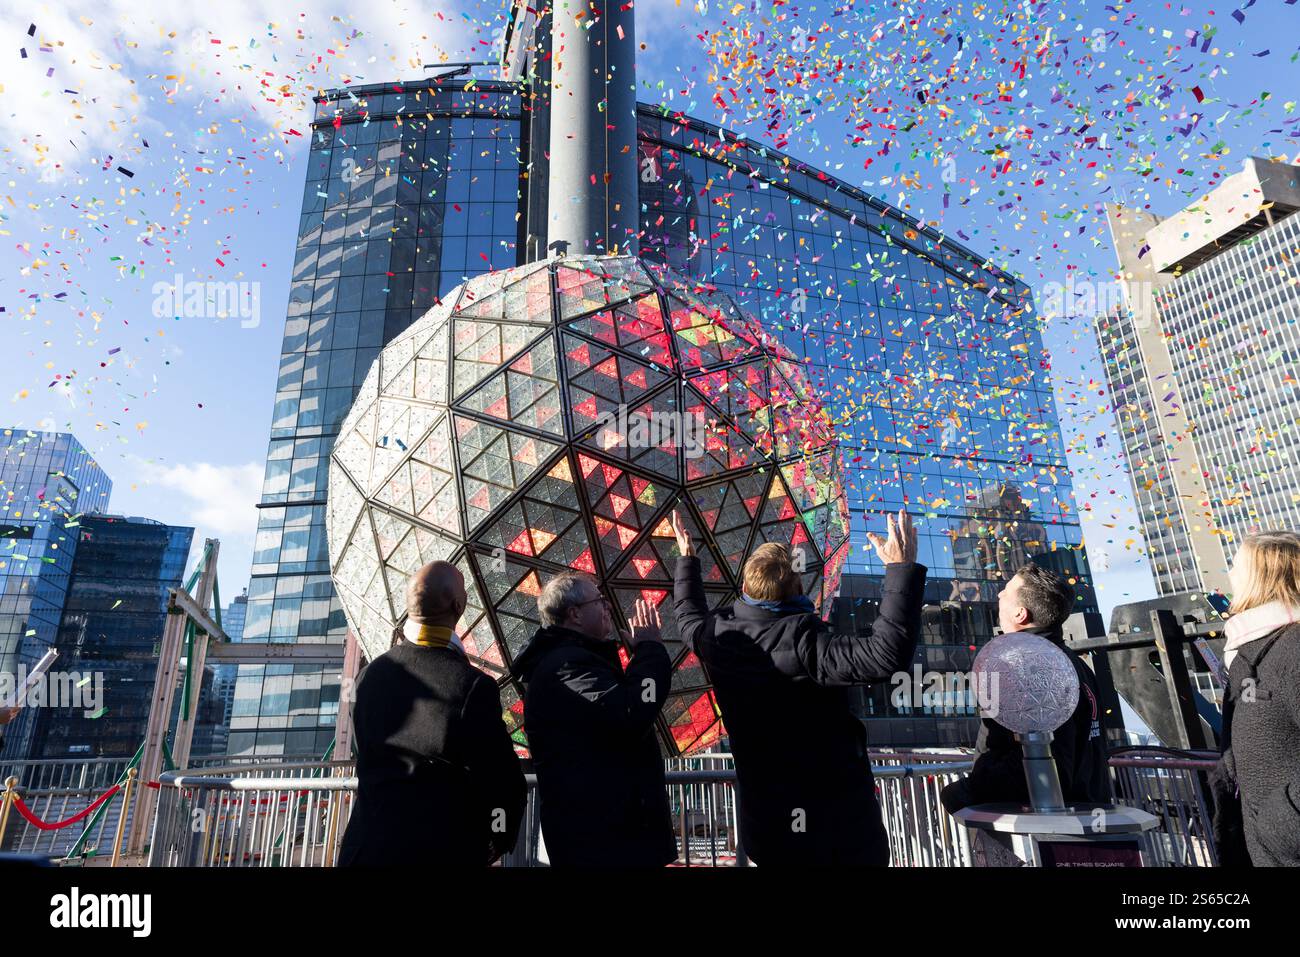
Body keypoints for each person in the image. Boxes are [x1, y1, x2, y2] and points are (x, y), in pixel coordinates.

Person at [672, 507, 927, 866]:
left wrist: (687, 559)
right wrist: (901, 569)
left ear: (744, 587)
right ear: (796, 588)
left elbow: (687, 615)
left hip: (768, 828)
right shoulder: (808, 642)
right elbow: (885, 654)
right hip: (837, 833)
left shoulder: (717, 637)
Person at [338, 561, 526, 867]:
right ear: (459, 605)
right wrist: (497, 836)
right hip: (438, 852)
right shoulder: (471, 686)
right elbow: (502, 782)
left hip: (364, 849)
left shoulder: (368, 676)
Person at [510, 574, 676, 868]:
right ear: (574, 614)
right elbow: (632, 711)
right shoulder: (567, 667)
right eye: (599, 600)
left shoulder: (571, 661)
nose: (607, 606)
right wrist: (649, 649)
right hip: (603, 843)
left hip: (607, 837)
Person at [939, 563, 1110, 815]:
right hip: (1090, 811)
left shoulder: (1028, 666)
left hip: (1042, 824)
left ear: (1021, 614)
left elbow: (1046, 763)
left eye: (1006, 591)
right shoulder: (1073, 662)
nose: (998, 595)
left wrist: (965, 792)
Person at [1211, 531, 1300, 866]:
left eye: (1237, 565)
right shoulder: (1252, 652)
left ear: (1262, 576)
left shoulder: (1292, 647)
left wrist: (1281, 825)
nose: (1231, 575)